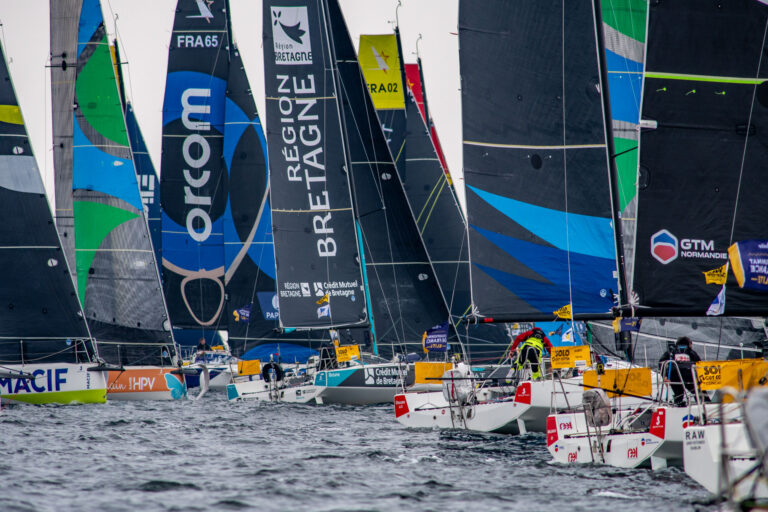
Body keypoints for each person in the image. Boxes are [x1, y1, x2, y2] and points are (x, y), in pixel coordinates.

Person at [659, 336, 701, 406]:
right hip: (689, 377)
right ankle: (703, 403)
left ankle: (678, 403)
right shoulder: (691, 352)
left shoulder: (671, 352)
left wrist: (664, 376)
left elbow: (661, 363)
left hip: (674, 377)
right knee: (698, 392)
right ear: (689, 344)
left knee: (678, 393)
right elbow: (699, 364)